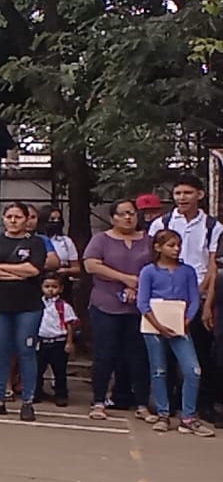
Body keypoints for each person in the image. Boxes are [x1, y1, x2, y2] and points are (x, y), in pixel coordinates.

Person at [148, 175, 223, 422]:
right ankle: (166, 404)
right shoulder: (162, 223)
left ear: (200, 195)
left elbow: (212, 264)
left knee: (200, 353)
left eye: (187, 193)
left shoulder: (212, 226)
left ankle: (202, 405)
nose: (182, 198)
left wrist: (205, 300)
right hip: (165, 298)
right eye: (178, 193)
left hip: (198, 295)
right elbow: (152, 259)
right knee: (165, 352)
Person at [0, 202, 52, 422]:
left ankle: (28, 400)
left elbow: (33, 269)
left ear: (27, 219)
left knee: (26, 351)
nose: (13, 221)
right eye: (9, 216)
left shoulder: (36, 242)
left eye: (18, 217)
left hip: (28, 306)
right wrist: (14, 273)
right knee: (0, 351)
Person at [84, 200, 153, 420]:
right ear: (113, 217)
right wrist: (125, 279)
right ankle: (98, 401)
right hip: (106, 303)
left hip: (139, 306)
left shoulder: (148, 240)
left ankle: (142, 403)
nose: (128, 218)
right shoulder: (101, 239)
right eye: (122, 214)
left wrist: (137, 286)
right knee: (105, 354)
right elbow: (91, 265)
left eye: (131, 213)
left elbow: (155, 267)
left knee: (138, 355)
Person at [139, 229, 211, 435]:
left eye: (178, 245)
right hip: (154, 325)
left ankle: (188, 416)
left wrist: (187, 320)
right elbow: (143, 303)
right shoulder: (149, 271)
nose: (176, 249)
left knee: (193, 370)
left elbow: (194, 298)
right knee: (159, 369)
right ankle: (163, 413)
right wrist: (159, 325)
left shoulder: (187, 271)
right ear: (158, 247)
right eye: (171, 245)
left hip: (180, 325)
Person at [36, 274, 78, 407]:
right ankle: (36, 393)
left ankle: (61, 395)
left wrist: (69, 342)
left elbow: (69, 324)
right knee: (37, 369)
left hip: (58, 341)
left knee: (59, 371)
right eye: (47, 286)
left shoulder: (64, 306)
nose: (50, 289)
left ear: (61, 288)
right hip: (41, 341)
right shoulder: (37, 304)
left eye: (54, 287)